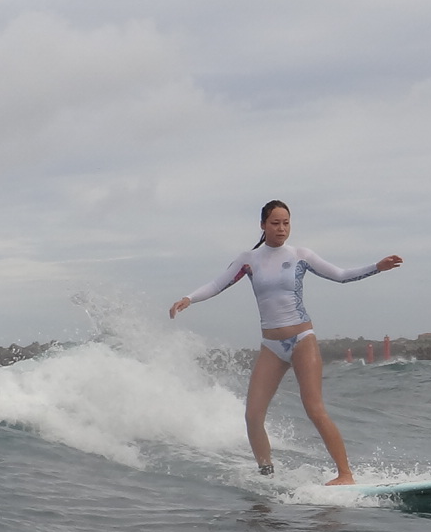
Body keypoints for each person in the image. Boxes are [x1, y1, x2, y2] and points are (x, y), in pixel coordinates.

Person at [170, 201, 401, 485]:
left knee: (314, 408)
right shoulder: (248, 260)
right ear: (263, 225)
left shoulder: (301, 255)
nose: (281, 229)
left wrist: (377, 267)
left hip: (302, 339)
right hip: (271, 346)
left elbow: (340, 275)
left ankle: (345, 474)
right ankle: (267, 474)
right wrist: (189, 298)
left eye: (286, 223)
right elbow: (217, 284)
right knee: (253, 415)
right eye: (275, 223)